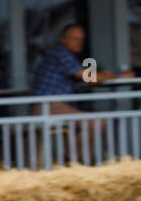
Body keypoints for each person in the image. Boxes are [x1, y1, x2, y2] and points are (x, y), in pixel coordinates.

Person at [32, 24, 134, 161]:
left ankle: (74, 162)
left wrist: (105, 75)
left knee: (93, 122)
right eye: (75, 38)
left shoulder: (64, 55)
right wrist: (120, 76)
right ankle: (74, 163)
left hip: (55, 106)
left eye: (81, 39)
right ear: (63, 39)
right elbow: (89, 78)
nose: (79, 42)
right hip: (48, 107)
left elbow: (87, 78)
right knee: (97, 122)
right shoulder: (60, 54)